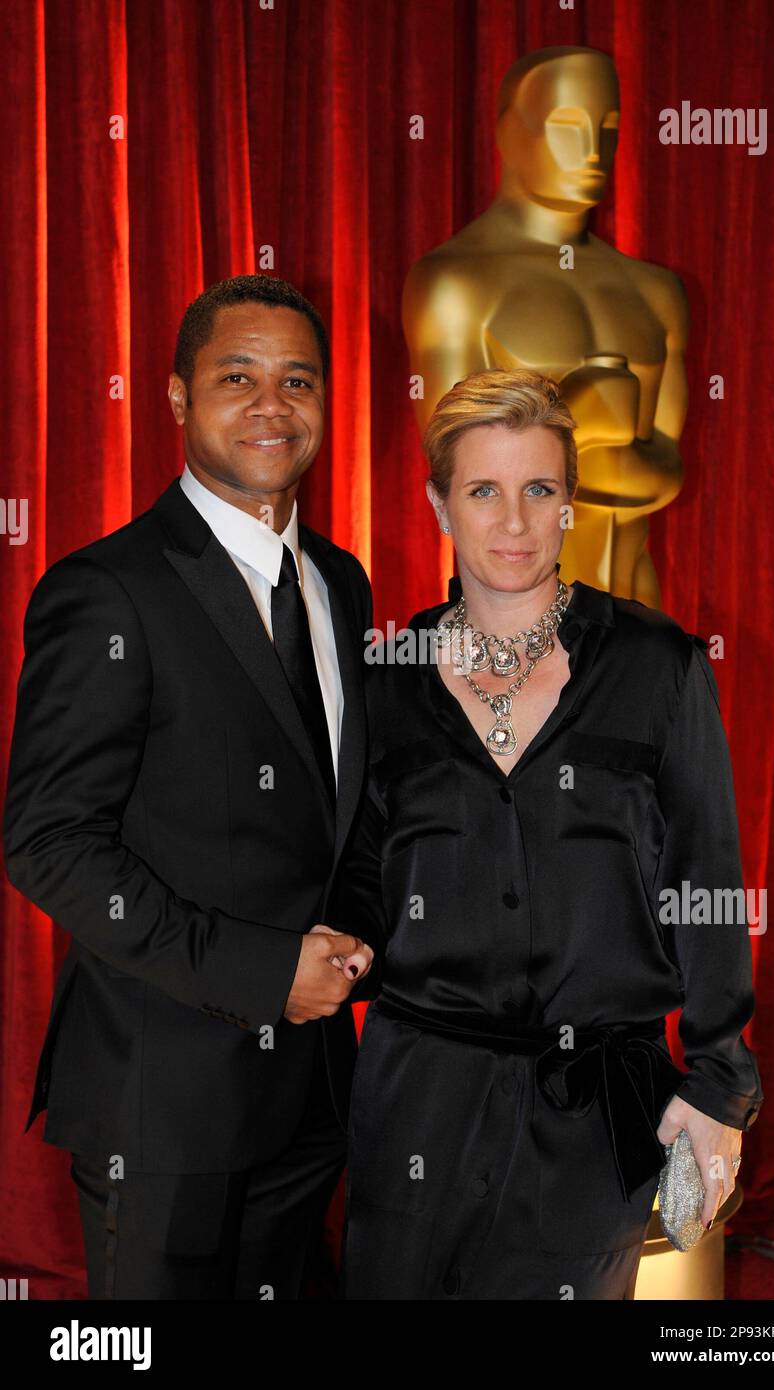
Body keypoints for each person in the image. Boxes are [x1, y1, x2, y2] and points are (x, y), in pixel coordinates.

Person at [335, 367, 764, 1300]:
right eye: (483, 490)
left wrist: (721, 1084)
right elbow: (363, 878)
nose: (515, 522)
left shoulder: (659, 668)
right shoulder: (387, 681)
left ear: (571, 502)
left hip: (589, 1119)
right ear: (438, 502)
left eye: (540, 489)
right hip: (415, 1103)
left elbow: (710, 884)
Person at [3, 273, 374, 1300]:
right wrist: (261, 974)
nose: (272, 403)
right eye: (237, 376)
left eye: (298, 378)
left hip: (312, 1092)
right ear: (176, 397)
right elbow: (47, 840)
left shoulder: (340, 582)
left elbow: (329, 822)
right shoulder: (106, 590)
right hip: (160, 1102)